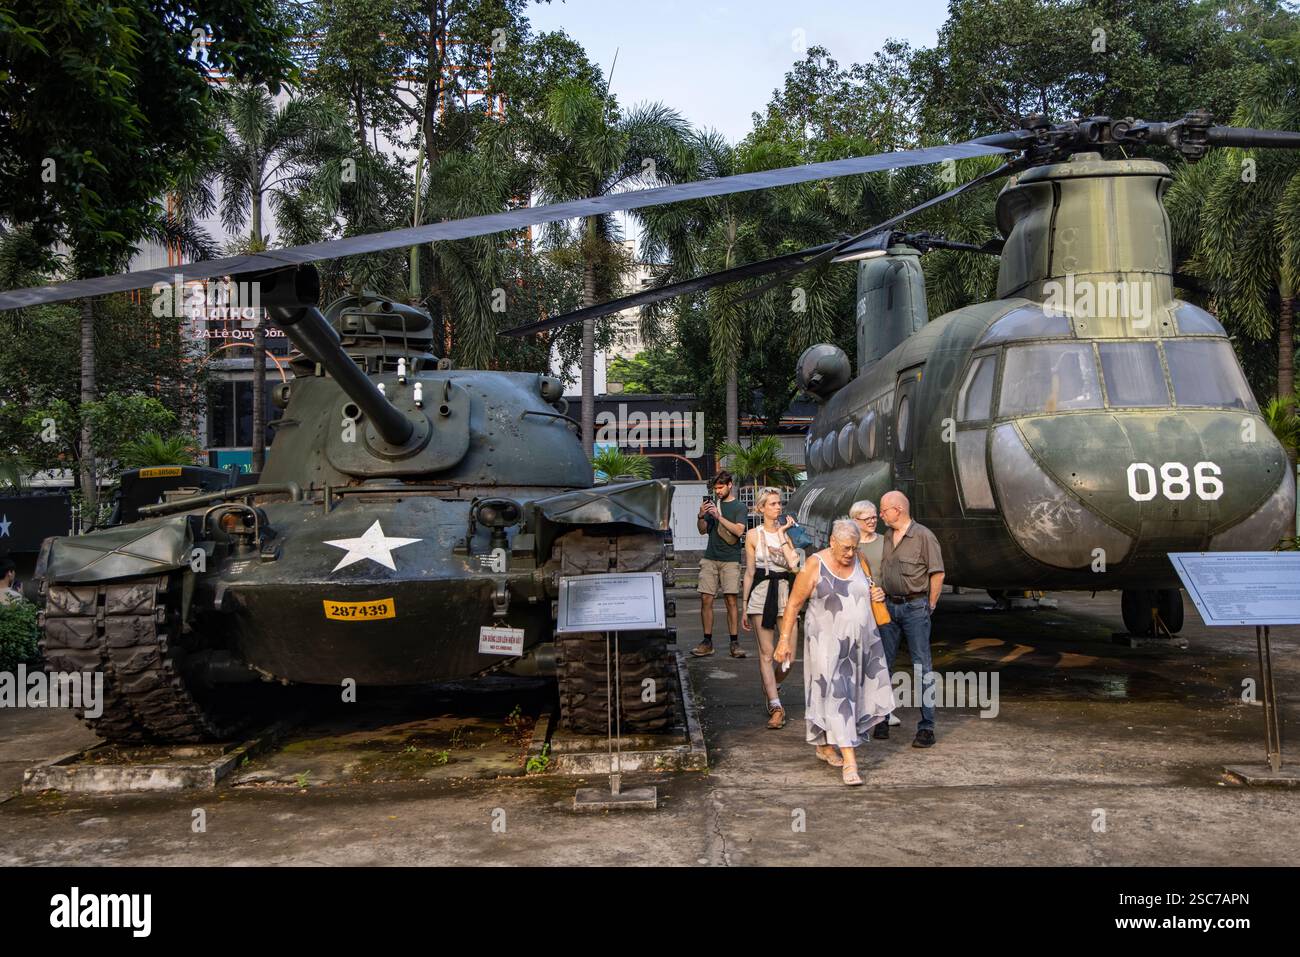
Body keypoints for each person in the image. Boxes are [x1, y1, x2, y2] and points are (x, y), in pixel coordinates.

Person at [775, 519, 893, 786]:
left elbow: (867, 588)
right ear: (832, 542)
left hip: (862, 644)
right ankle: (851, 761)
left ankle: (824, 744)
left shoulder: (860, 559)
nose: (850, 553)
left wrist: (878, 595)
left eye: (854, 547)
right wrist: (784, 641)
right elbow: (793, 605)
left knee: (847, 696)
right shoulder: (815, 565)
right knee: (839, 696)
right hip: (827, 645)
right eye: (846, 548)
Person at [875, 490, 945, 748]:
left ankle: (927, 727)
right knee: (883, 665)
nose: (881, 515)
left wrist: (931, 603)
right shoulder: (887, 536)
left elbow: (937, 573)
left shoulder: (924, 536)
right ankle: (881, 718)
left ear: (899, 510)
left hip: (915, 607)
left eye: (884, 510)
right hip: (889, 607)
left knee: (921, 667)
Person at [740, 488, 801, 729]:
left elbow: (795, 566)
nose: (778, 507)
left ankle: (771, 686)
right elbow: (750, 572)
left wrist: (784, 535)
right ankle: (776, 705)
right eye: (773, 504)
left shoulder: (786, 534)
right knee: (766, 653)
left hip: (785, 592)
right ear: (761, 508)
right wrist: (744, 606)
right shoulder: (753, 535)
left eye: (779, 503)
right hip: (761, 594)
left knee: (789, 658)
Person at [694, 471, 748, 658]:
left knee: (731, 601)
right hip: (710, 557)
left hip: (730, 560)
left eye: (720, 487)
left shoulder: (739, 507)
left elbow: (739, 531)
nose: (717, 491)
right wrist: (701, 515)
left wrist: (718, 517)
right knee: (705, 599)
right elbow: (702, 531)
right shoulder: (711, 507)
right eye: (715, 488)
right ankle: (707, 641)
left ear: (730, 485)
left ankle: (734, 642)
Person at [849, 500, 884, 577]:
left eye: (874, 517)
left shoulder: (885, 541)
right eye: (867, 519)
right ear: (855, 521)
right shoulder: (848, 543)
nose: (872, 521)